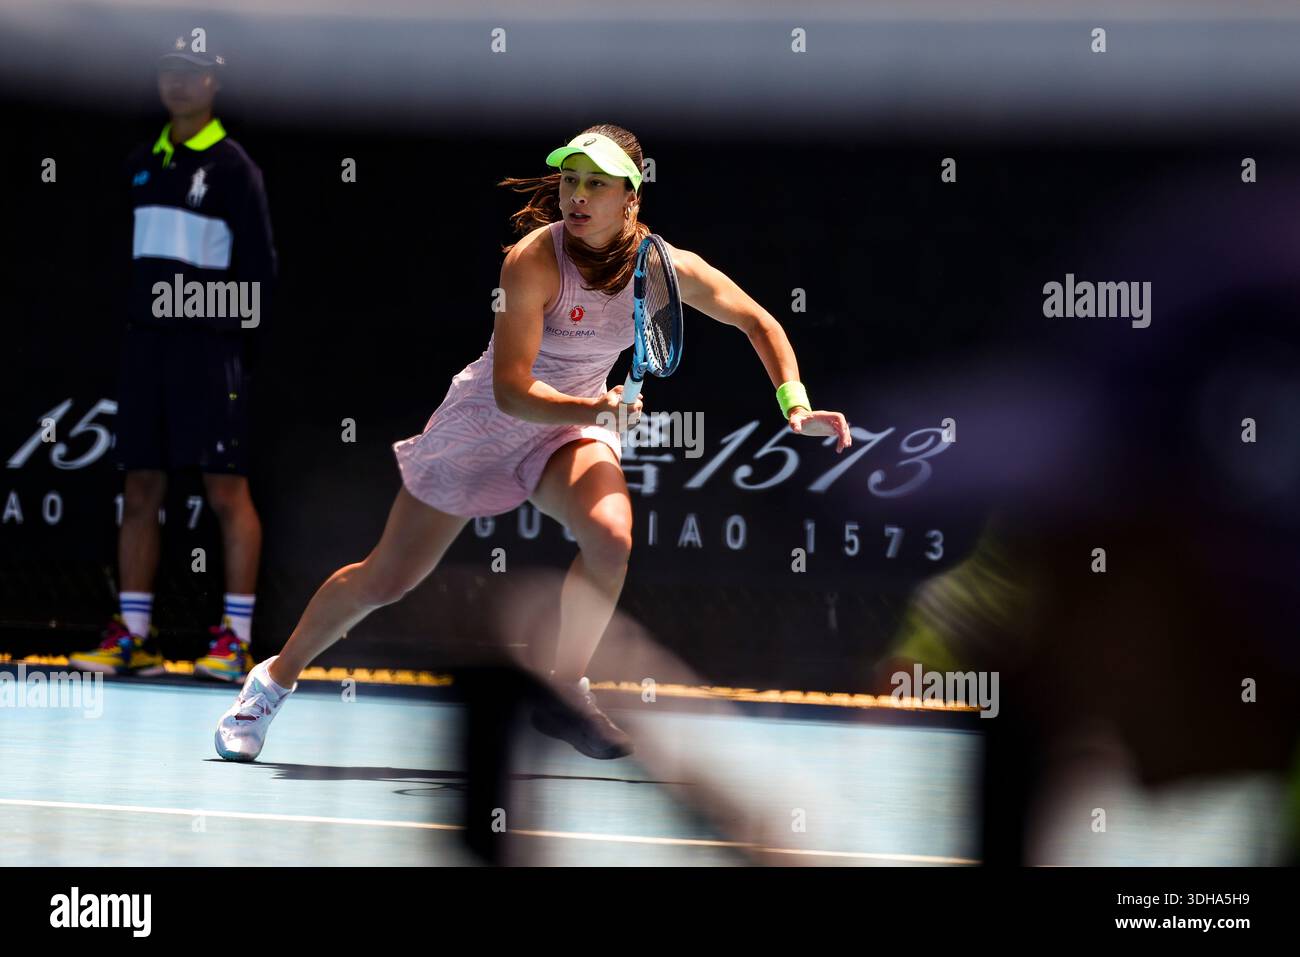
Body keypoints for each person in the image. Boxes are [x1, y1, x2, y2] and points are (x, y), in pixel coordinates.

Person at [213, 123, 851, 762]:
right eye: (570, 180)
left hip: (568, 434)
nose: (577, 195)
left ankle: (564, 688)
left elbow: (757, 321)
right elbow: (512, 389)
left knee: (611, 537)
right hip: (485, 424)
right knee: (386, 579)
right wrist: (596, 407)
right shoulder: (532, 260)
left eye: (596, 184)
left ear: (631, 197)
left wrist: (794, 404)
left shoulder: (662, 268)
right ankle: (271, 681)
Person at [69, 38, 276, 683]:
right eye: (168, 70)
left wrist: (194, 312)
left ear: (214, 80)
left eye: (191, 72)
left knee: (226, 491)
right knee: (140, 489)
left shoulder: (236, 169)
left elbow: (260, 280)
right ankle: (135, 636)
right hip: (144, 353)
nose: (178, 83)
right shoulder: (139, 164)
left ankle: (235, 642)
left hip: (209, 355)